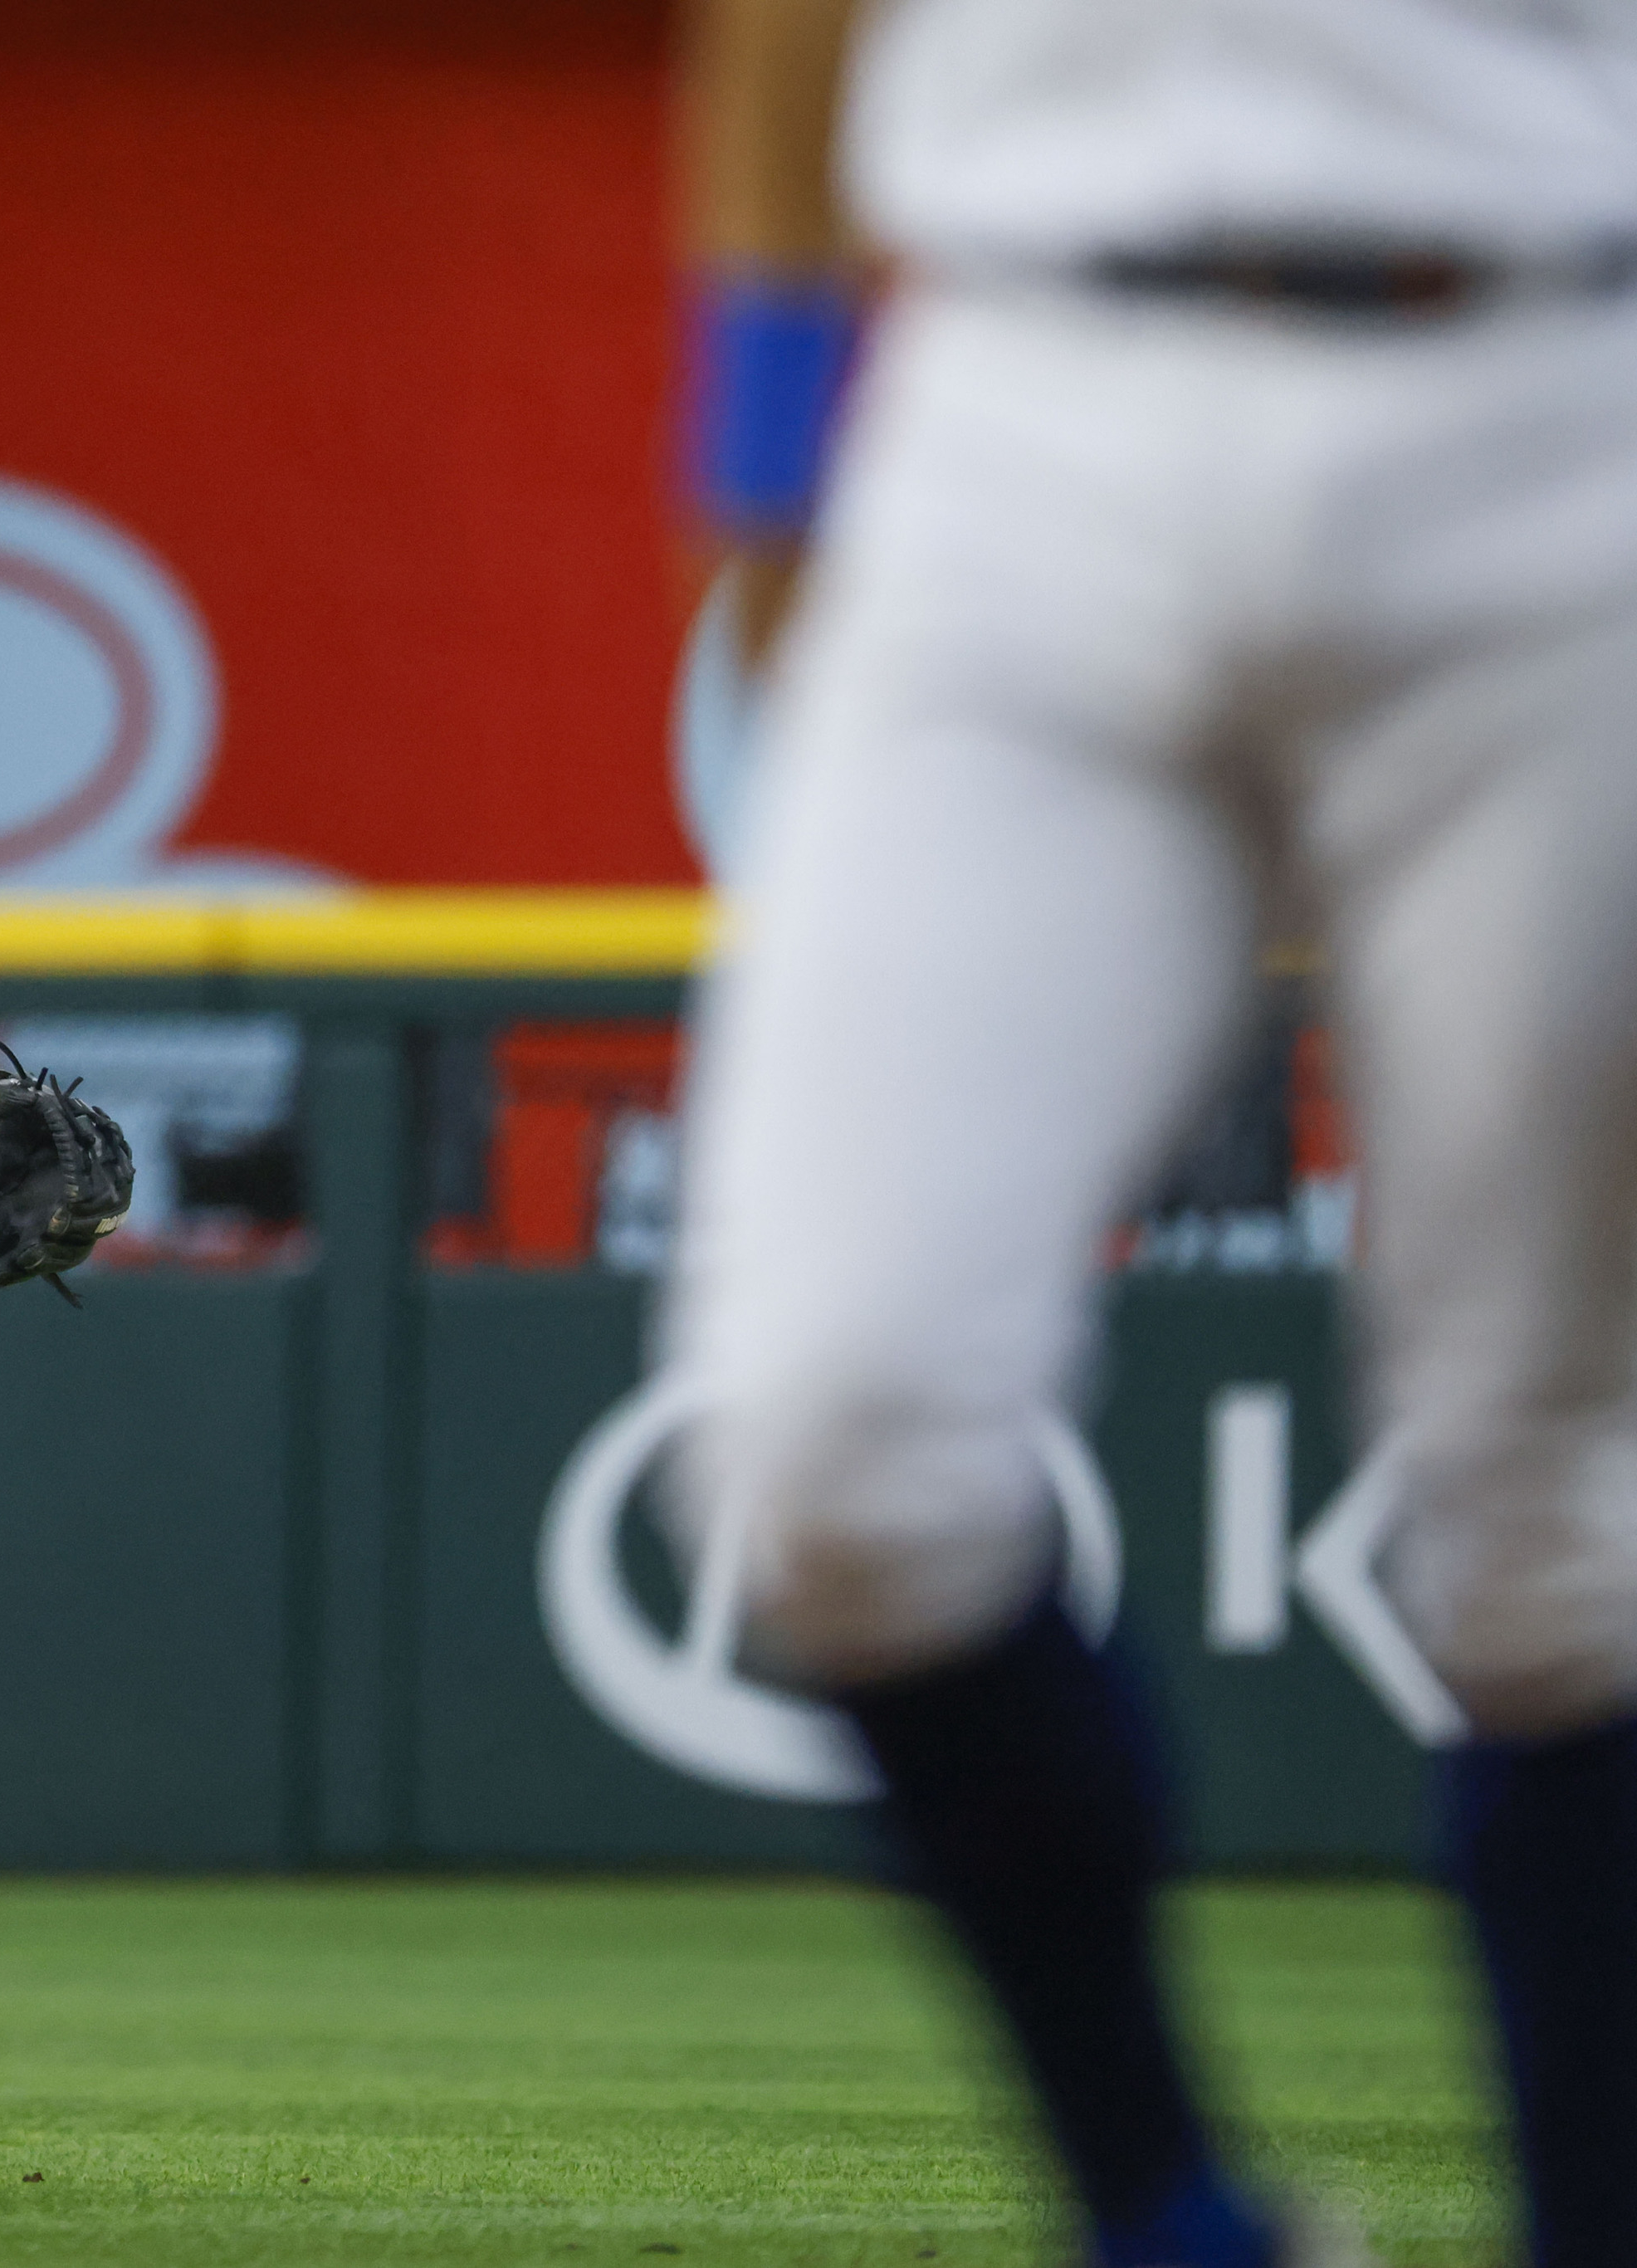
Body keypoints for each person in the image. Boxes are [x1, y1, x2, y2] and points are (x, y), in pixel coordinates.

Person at [672, 4, 1637, 2266]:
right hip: (1025, 397)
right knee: (835, 1452)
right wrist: (761, 448)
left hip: (1552, 389)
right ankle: (1175, 2219)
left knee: (1559, 1539)